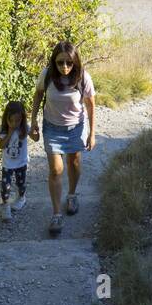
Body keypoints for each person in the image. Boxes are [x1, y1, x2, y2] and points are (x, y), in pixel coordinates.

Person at [29, 43, 95, 236]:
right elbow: (38, 95)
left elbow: (91, 105)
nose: (64, 67)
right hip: (52, 128)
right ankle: (56, 213)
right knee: (56, 169)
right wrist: (33, 121)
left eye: (69, 62)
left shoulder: (83, 77)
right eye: (60, 62)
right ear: (54, 61)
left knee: (74, 162)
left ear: (75, 61)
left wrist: (92, 133)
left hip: (76, 127)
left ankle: (72, 195)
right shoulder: (47, 74)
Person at [0, 101, 29, 221]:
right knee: (5, 186)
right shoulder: (3, 130)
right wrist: (10, 133)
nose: (15, 124)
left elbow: (36, 138)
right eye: (12, 121)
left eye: (18, 121)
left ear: (22, 119)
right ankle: (5, 205)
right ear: (6, 119)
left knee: (21, 183)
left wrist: (35, 131)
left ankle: (21, 197)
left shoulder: (25, 128)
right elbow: (1, 145)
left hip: (21, 163)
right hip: (8, 164)